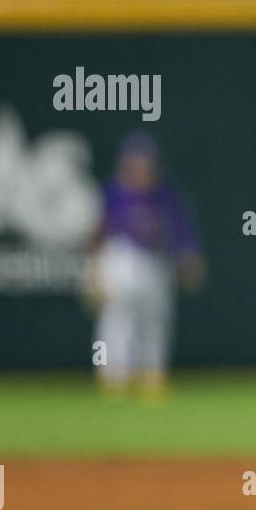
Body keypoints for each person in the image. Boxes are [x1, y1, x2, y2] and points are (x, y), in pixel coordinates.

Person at [86, 131, 204, 399]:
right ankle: (113, 376)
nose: (141, 167)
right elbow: (97, 232)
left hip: (156, 261)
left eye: (145, 162)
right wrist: (94, 270)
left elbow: (181, 230)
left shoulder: (165, 194)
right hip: (121, 257)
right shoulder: (113, 193)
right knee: (119, 316)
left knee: (157, 317)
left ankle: (152, 375)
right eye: (135, 161)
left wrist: (189, 257)